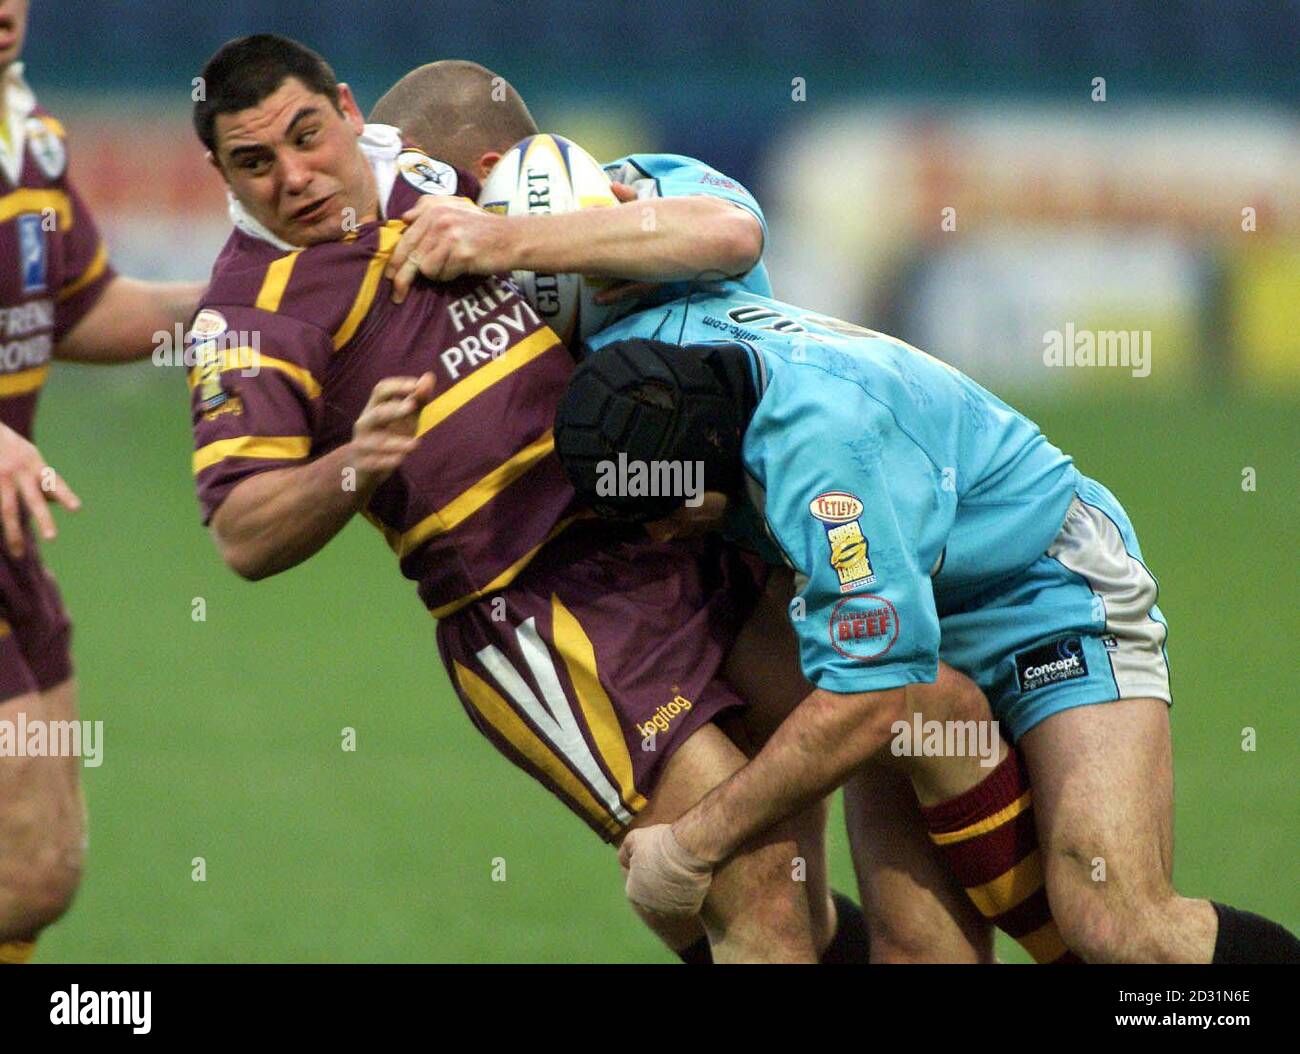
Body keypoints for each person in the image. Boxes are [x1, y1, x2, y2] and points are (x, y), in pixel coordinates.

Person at [186, 33, 867, 963]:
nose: (295, 177)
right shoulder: (249, 316)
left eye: (308, 136)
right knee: (758, 900)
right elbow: (241, 531)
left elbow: (716, 235)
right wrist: (355, 462)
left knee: (908, 721)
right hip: (549, 615)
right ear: (221, 173)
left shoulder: (444, 170)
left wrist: (592, 231)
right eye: (255, 164)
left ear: (349, 111)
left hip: (685, 536)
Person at [368, 58, 1025, 964]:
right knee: (755, 896)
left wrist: (516, 240)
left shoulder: (630, 190)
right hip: (585, 606)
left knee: (895, 764)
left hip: (759, 555)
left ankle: (1079, 940)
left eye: (421, 178)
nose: (405, 204)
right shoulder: (424, 288)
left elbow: (730, 235)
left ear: (480, 172)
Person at [554, 289, 1300, 963]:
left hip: (1049, 590)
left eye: (668, 515)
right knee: (915, 951)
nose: (660, 537)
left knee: (1116, 927)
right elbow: (714, 209)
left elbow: (871, 701)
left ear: (713, 460)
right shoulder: (653, 348)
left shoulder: (821, 466)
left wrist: (691, 847)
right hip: (907, 618)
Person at [0, 0, 203, 963]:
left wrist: (256, 302)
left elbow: (86, 309)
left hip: (10, 542)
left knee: (42, 872)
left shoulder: (29, 141)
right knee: (23, 867)